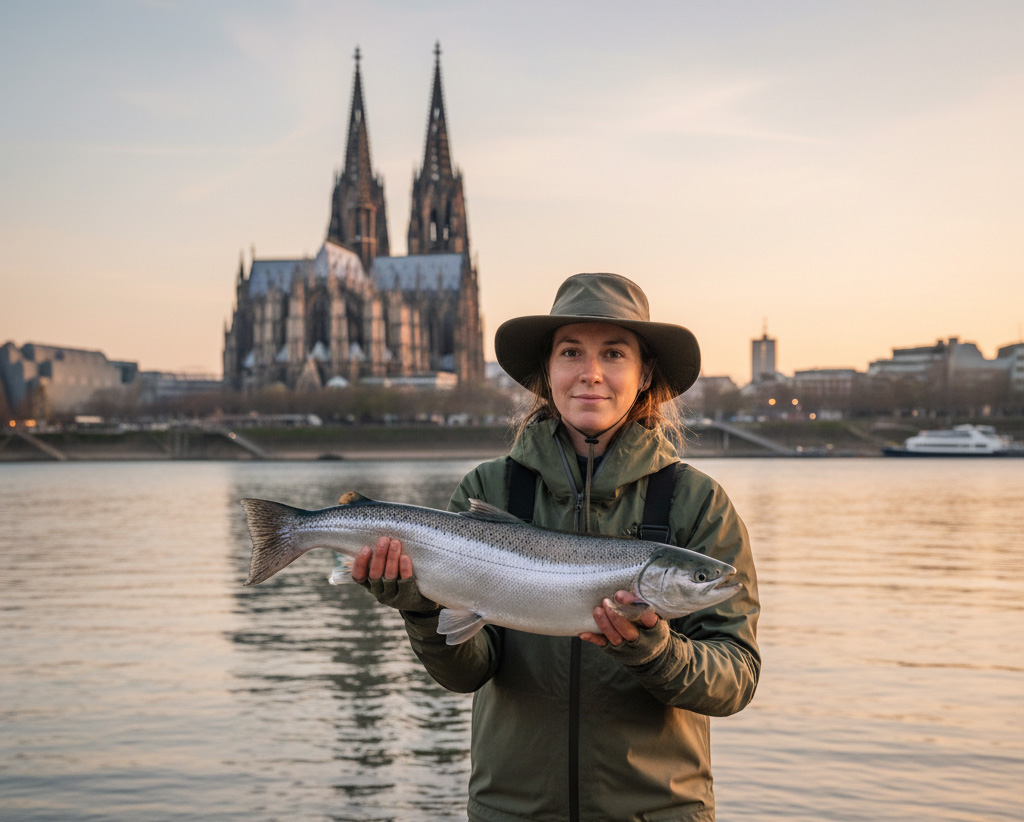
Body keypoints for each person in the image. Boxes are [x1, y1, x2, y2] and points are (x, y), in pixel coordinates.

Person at [352, 272, 760, 822]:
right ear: (548, 372)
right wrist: (421, 608)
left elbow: (736, 677)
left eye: (614, 354)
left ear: (644, 377)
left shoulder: (699, 502)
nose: (591, 373)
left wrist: (656, 653)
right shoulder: (487, 490)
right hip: (511, 811)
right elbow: (467, 672)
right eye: (572, 352)